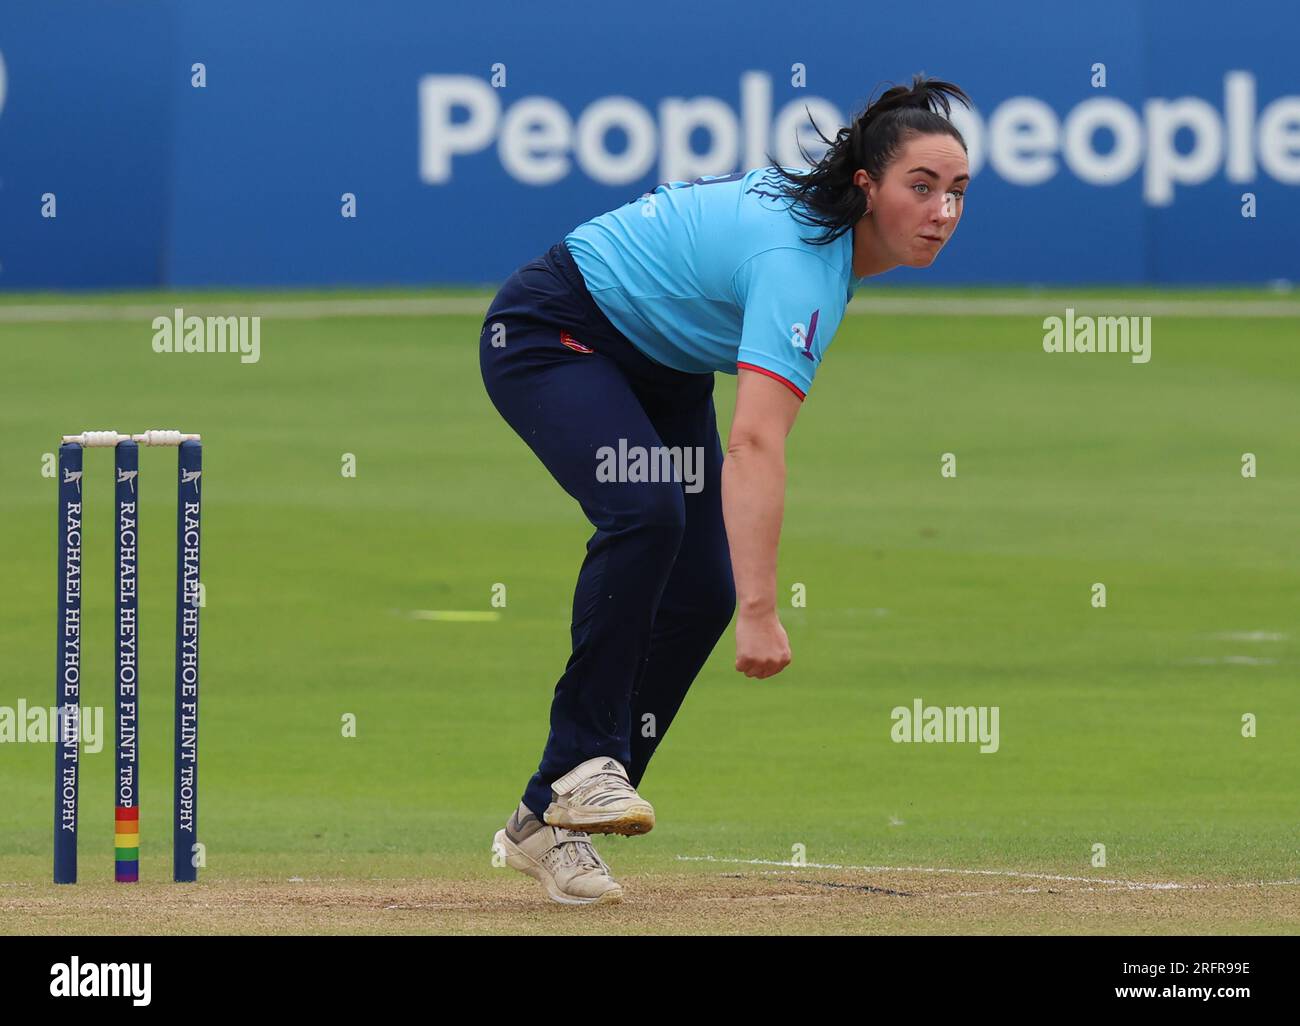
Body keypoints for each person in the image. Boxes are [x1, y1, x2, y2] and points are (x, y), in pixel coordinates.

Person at [481, 74, 972, 905]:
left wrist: (737, 595)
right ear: (866, 186)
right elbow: (753, 442)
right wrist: (763, 609)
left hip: (659, 366)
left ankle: (549, 821)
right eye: (920, 188)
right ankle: (579, 767)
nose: (942, 211)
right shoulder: (803, 262)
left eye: (957, 191)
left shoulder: (822, 242)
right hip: (555, 333)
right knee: (644, 512)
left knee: (702, 585)